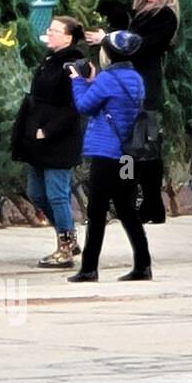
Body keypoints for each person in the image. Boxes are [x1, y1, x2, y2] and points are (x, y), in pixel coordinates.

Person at [85, 0, 179, 224]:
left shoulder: (166, 17)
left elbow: (142, 46)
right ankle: (133, 201)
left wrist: (109, 38)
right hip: (127, 88)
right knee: (131, 149)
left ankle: (152, 205)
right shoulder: (138, 13)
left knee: (146, 148)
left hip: (145, 88)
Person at [67, 30, 153, 282]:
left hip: (106, 153)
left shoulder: (107, 79)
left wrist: (78, 80)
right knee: (127, 208)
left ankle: (89, 268)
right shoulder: (135, 78)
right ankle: (143, 264)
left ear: (109, 54)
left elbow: (84, 106)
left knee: (97, 210)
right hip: (128, 155)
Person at [11, 15, 86, 268]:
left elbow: (75, 105)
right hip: (37, 135)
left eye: (55, 30)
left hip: (58, 139)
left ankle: (64, 247)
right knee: (36, 192)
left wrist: (49, 130)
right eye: (50, 29)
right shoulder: (50, 60)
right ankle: (68, 235)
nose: (49, 33)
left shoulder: (73, 64)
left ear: (68, 37)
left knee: (57, 194)